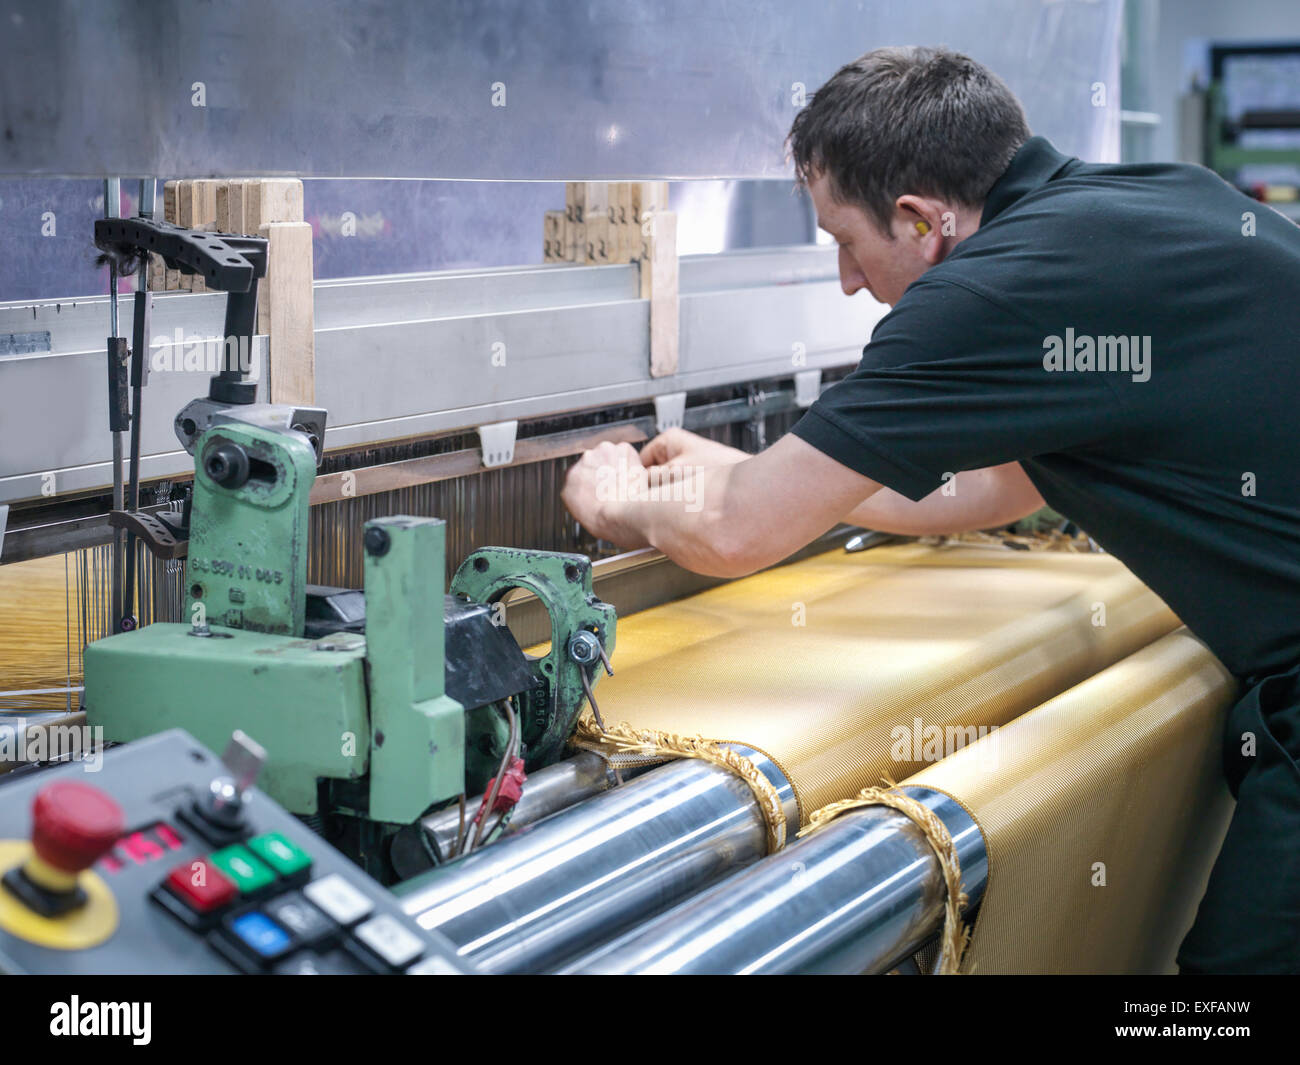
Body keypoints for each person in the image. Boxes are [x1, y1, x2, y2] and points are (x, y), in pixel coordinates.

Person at [560, 45, 1300, 974]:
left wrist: (618, 502)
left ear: (918, 221)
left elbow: (734, 534)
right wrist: (772, 473)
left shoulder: (983, 293)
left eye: (844, 241)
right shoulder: (1152, 202)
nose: (846, 280)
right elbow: (1003, 487)